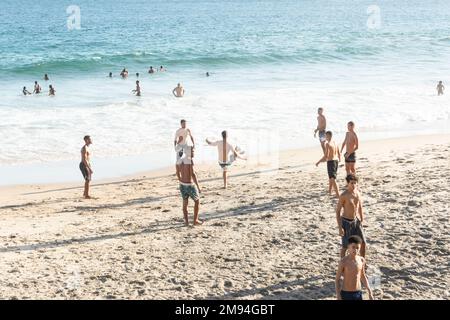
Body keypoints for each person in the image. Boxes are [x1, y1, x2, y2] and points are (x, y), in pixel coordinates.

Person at [336, 174, 366, 258]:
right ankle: (343, 264)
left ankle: (363, 262)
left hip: (356, 222)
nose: (353, 185)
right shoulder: (344, 195)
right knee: (345, 246)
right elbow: (338, 211)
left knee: (363, 242)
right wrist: (340, 227)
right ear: (348, 183)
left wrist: (361, 218)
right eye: (351, 183)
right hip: (346, 222)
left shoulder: (358, 193)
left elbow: (359, 206)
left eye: (355, 183)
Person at [335, 235, 374, 300]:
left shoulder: (361, 260)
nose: (355, 250)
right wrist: (338, 295)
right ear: (348, 247)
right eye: (353, 247)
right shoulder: (343, 262)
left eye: (357, 248)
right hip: (346, 293)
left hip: (358, 292)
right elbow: (337, 280)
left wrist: (369, 291)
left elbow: (363, 276)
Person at [176, 146, 202, 226]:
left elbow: (177, 172)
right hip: (190, 185)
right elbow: (193, 174)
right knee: (197, 201)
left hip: (182, 185)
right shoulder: (190, 160)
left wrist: (180, 179)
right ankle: (195, 220)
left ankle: (186, 222)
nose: (194, 152)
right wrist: (198, 186)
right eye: (192, 151)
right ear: (188, 152)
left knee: (185, 203)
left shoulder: (180, 160)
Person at [315, 131, 341, 197]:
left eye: (326, 136)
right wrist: (339, 159)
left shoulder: (327, 144)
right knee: (331, 178)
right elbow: (339, 153)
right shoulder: (335, 143)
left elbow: (326, 156)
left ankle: (338, 194)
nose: (325, 137)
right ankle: (329, 192)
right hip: (336, 161)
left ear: (329, 136)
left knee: (333, 179)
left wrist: (319, 162)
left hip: (331, 162)